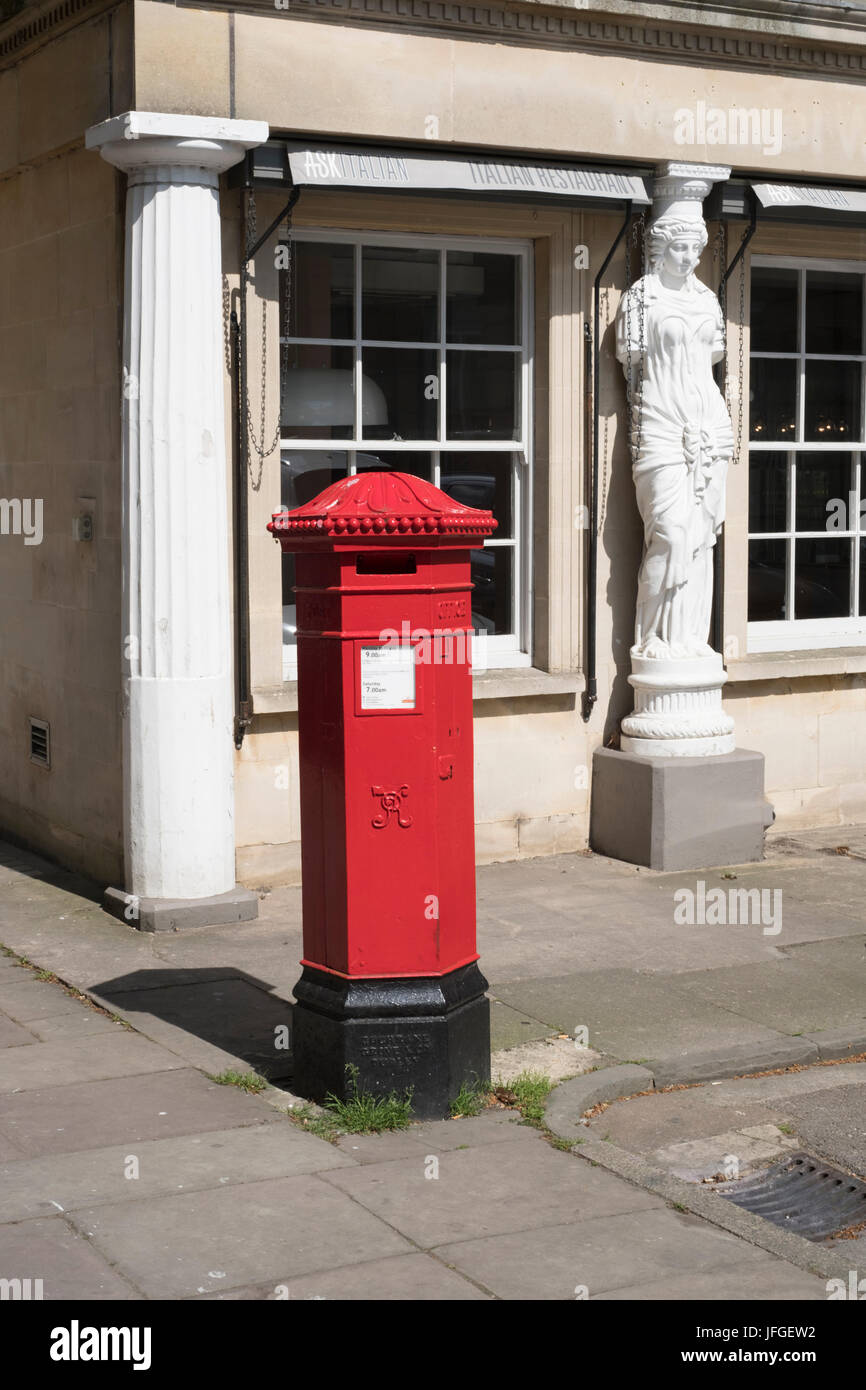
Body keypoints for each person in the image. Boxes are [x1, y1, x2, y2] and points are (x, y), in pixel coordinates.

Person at [615, 213, 734, 659]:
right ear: (659, 250)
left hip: (710, 427)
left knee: (702, 538)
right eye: (679, 248)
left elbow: (714, 359)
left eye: (694, 250)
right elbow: (631, 362)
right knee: (668, 532)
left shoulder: (707, 300)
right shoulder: (641, 299)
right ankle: (653, 639)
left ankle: (690, 639)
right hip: (660, 423)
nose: (688, 258)